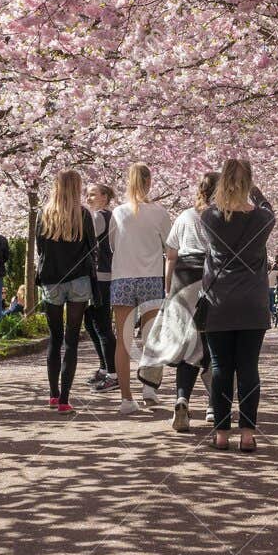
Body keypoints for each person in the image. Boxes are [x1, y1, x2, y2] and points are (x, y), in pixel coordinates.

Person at [199, 158, 274, 451]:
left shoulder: (209, 217)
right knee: (248, 367)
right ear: (250, 182)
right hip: (253, 301)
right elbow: (268, 207)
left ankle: (220, 433)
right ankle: (247, 433)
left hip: (220, 300)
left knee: (220, 367)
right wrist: (252, 189)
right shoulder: (263, 219)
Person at [155, 169, 218, 432]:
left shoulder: (184, 216)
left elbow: (171, 255)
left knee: (188, 345)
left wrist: (169, 288)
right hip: (210, 277)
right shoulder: (222, 218)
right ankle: (214, 406)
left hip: (183, 277)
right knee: (213, 343)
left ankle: (182, 397)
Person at [109, 164, 172, 415]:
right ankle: (149, 388)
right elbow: (170, 247)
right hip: (150, 277)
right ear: (149, 182)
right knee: (150, 338)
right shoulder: (159, 212)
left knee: (123, 341)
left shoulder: (119, 212)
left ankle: (126, 399)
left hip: (123, 278)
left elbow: (113, 245)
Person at [35, 170, 95, 412]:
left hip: (52, 280)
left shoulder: (44, 214)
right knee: (71, 340)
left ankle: (52, 393)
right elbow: (93, 249)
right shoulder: (83, 215)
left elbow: (41, 249)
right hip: (78, 280)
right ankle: (64, 399)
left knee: (54, 337)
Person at [84, 182, 118, 391]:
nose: (88, 198)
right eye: (87, 195)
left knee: (101, 324)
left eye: (93, 194)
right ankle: (105, 368)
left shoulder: (98, 217)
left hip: (100, 276)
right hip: (101, 275)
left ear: (104, 197)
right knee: (91, 322)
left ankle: (112, 372)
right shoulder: (108, 216)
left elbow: (85, 240)